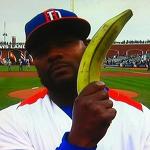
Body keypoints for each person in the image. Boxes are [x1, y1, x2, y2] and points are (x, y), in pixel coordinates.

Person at [0, 8, 150, 150]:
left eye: (65, 43)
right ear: (34, 61)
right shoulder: (10, 122)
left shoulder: (141, 118)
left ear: (87, 47)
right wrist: (78, 141)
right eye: (42, 50)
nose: (54, 54)